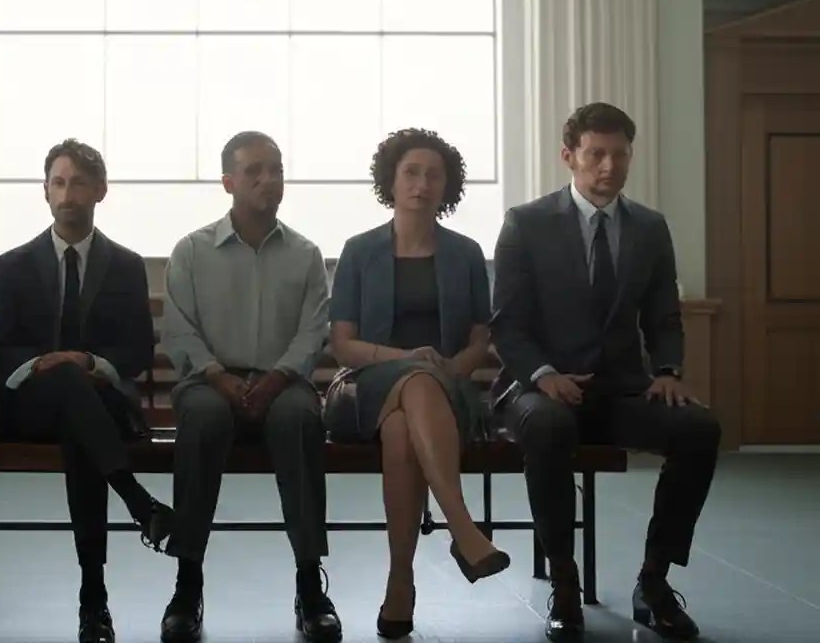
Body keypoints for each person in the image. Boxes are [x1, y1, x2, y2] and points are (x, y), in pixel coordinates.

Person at [491, 102, 721, 642]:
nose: (609, 167)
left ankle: (655, 581)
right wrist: (544, 374)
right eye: (596, 154)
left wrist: (667, 369)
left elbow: (664, 313)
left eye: (620, 155)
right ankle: (564, 583)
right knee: (548, 427)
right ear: (569, 156)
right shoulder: (526, 223)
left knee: (698, 428)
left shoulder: (649, 227)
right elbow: (507, 325)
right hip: (539, 387)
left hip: (620, 388)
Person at [0, 138, 172, 643]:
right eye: (59, 183)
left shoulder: (126, 265)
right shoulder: (17, 263)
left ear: (99, 191)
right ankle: (130, 516)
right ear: (45, 191)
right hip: (27, 404)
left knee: (79, 423)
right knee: (67, 388)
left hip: (95, 404)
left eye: (79, 183)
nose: (68, 194)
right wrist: (44, 364)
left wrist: (91, 362)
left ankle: (96, 595)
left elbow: (136, 351)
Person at [326, 129, 511, 639]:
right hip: (362, 389)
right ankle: (461, 526)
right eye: (411, 172)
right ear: (391, 178)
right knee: (411, 384)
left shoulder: (466, 253)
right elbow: (343, 344)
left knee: (406, 423)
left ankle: (400, 581)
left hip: (443, 391)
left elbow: (479, 341)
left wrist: (445, 369)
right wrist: (408, 360)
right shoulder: (358, 251)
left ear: (446, 186)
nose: (422, 183)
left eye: (434, 175)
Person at [160, 131, 341, 643]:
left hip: (282, 383)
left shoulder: (305, 254)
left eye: (277, 169)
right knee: (203, 419)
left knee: (300, 419)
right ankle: (187, 583)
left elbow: (313, 332)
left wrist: (277, 378)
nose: (269, 180)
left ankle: (310, 585)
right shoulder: (192, 251)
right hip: (209, 382)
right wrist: (219, 376)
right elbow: (178, 330)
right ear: (228, 182)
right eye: (255, 170)